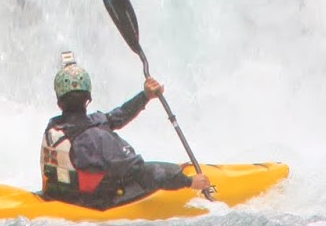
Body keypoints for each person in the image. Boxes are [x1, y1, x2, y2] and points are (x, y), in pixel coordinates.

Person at [39, 52, 211, 210]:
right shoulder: (95, 140)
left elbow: (114, 118)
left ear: (59, 101)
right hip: (95, 203)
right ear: (88, 98)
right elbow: (143, 173)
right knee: (161, 171)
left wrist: (145, 96)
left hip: (59, 196)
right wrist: (188, 182)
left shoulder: (55, 126)